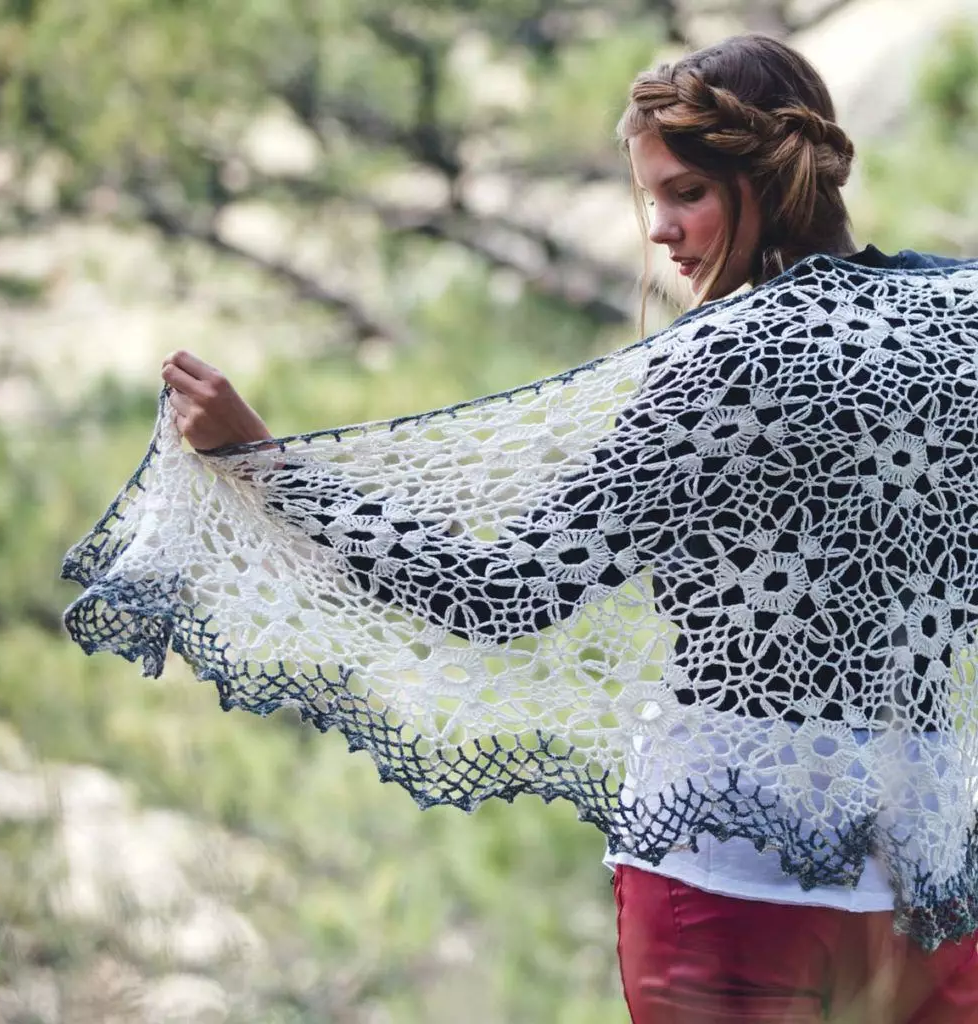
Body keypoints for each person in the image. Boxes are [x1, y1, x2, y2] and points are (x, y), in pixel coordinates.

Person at [159, 33, 978, 1024]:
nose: (660, 232)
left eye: (686, 194)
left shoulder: (718, 369)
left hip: (779, 879)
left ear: (774, 176)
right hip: (877, 876)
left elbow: (504, 590)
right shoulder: (957, 327)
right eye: (650, 200)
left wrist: (270, 470)